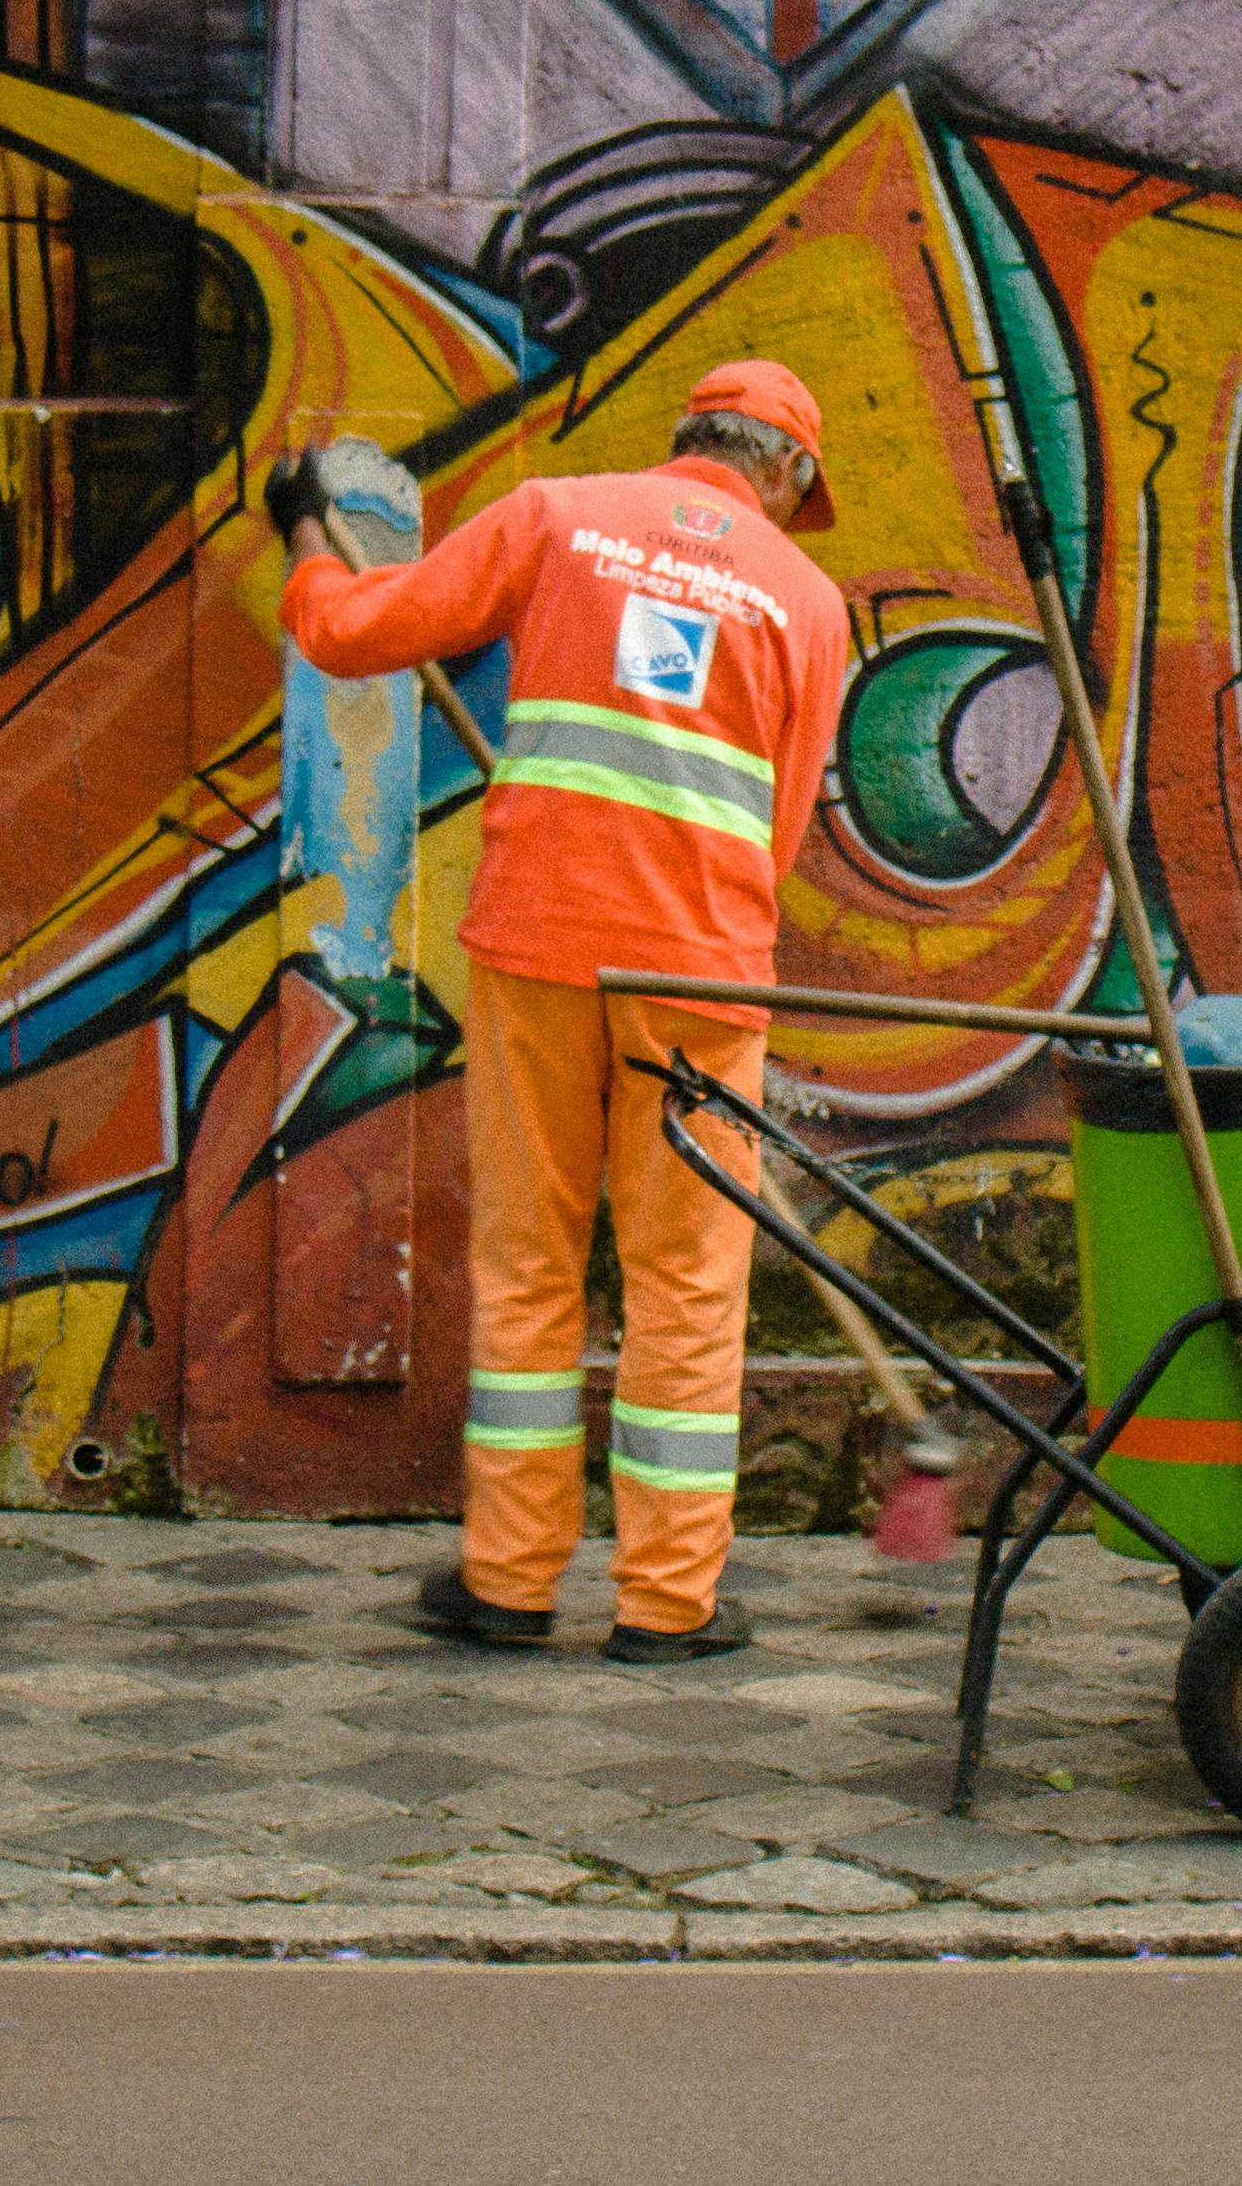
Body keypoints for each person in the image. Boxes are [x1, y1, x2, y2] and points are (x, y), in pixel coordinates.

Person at [264, 361, 853, 1664]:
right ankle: (668, 1604)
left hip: (536, 948)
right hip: (701, 976)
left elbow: (353, 634)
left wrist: (306, 542)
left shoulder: (557, 516)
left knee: (529, 1262)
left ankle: (511, 1580)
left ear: (690, 436)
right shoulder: (808, 602)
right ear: (786, 472)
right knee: (687, 1284)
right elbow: (782, 823)